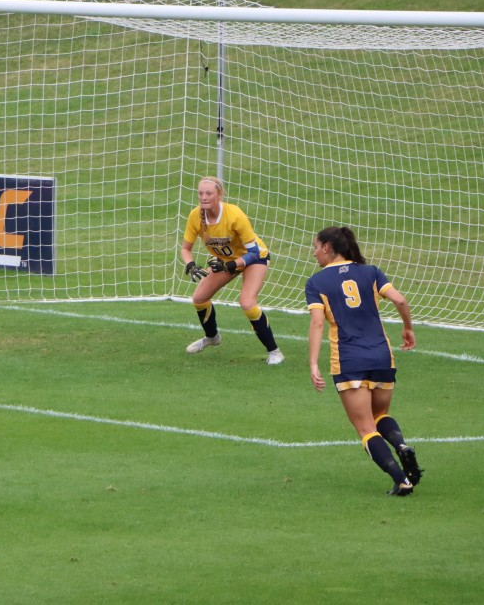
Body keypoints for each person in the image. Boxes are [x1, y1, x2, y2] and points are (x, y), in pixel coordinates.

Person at [306, 226, 422, 496]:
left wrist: (313, 363)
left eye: (315, 247)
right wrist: (408, 328)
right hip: (382, 356)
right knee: (380, 414)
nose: (314, 253)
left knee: (365, 428)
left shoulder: (317, 283)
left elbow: (317, 322)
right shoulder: (371, 272)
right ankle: (402, 445)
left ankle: (401, 479)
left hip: (349, 361)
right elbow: (401, 300)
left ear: (327, 248)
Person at [179, 176, 283, 365]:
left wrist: (230, 265)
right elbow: (185, 249)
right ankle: (212, 337)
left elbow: (253, 252)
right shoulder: (195, 216)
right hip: (226, 261)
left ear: (219, 195)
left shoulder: (234, 214)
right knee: (199, 298)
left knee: (247, 302)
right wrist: (190, 265)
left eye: (209, 193)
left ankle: (274, 351)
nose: (203, 197)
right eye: (200, 193)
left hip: (254, 258)